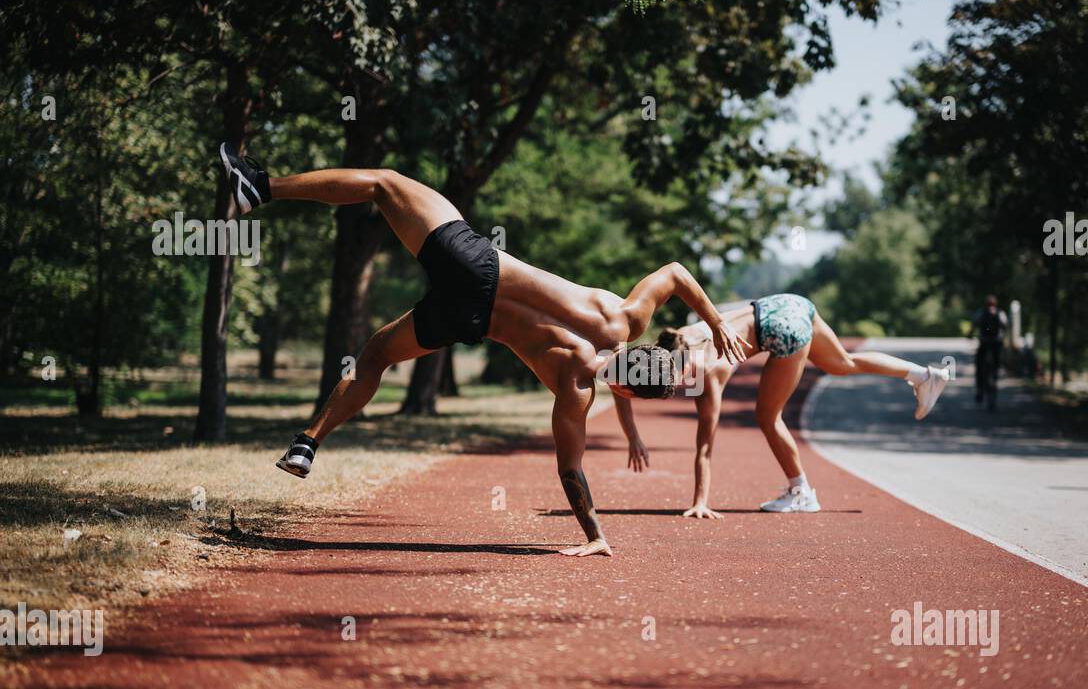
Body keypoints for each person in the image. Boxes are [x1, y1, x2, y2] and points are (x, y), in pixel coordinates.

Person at [218, 142, 749, 557]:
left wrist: (716, 321)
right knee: (376, 353)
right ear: (629, 386)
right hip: (469, 319)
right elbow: (571, 471)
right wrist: (595, 534)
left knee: (384, 184)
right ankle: (307, 444)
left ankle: (260, 188)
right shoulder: (577, 390)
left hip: (479, 266)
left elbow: (676, 272)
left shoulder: (627, 317)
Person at [611, 293, 950, 517]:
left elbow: (705, 445)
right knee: (842, 363)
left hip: (779, 329)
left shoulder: (707, 373)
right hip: (787, 304)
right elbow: (625, 380)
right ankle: (923, 375)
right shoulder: (676, 338)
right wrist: (631, 433)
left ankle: (801, 491)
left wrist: (700, 501)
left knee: (768, 416)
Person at [971, 294, 1008, 410]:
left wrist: (969, 334)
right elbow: (1005, 326)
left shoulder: (981, 313)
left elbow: (973, 326)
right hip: (997, 344)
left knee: (979, 366)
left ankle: (979, 390)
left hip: (984, 343)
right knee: (996, 367)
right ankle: (995, 380)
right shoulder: (1000, 313)